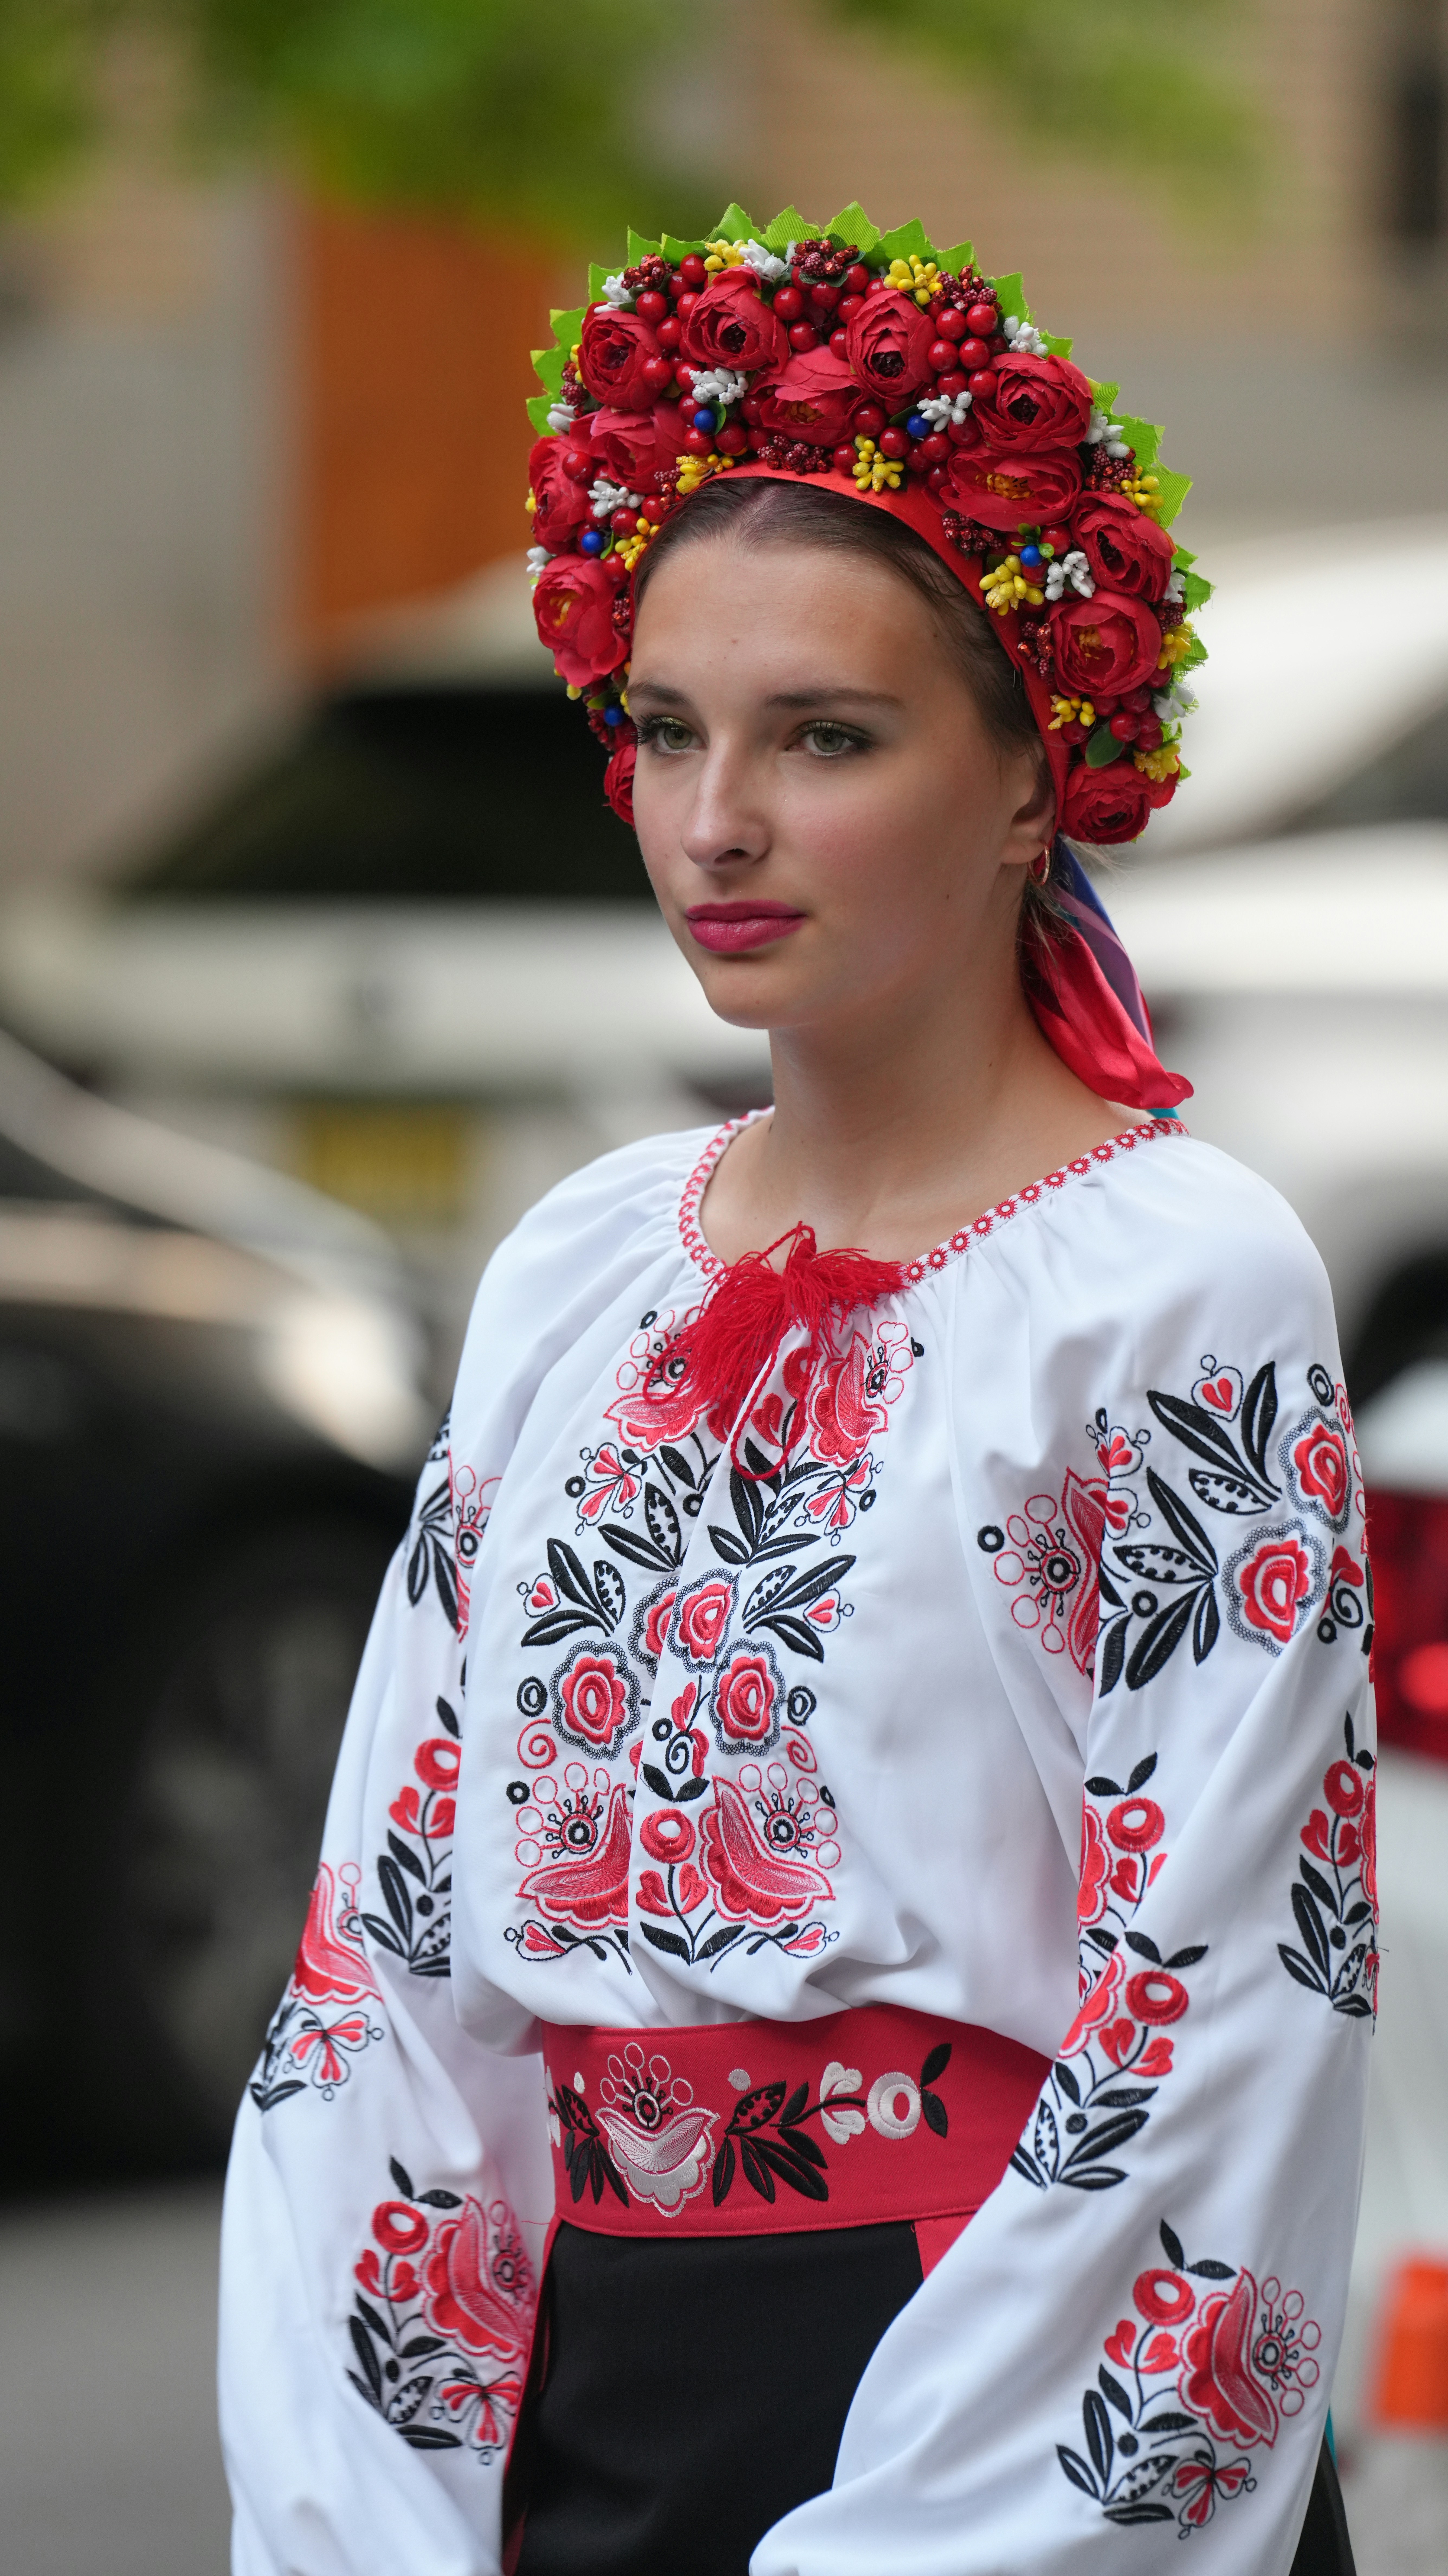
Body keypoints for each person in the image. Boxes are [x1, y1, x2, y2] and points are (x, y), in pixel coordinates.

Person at [219, 207, 1370, 2576]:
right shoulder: (574, 1270)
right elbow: (384, 1965)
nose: (710, 820)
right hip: (577, 2400)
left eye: (819, 737)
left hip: (989, 2387)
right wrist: (372, 2510)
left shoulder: (1164, 1286)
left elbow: (1222, 2010)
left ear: (1035, 774)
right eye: (662, 730)